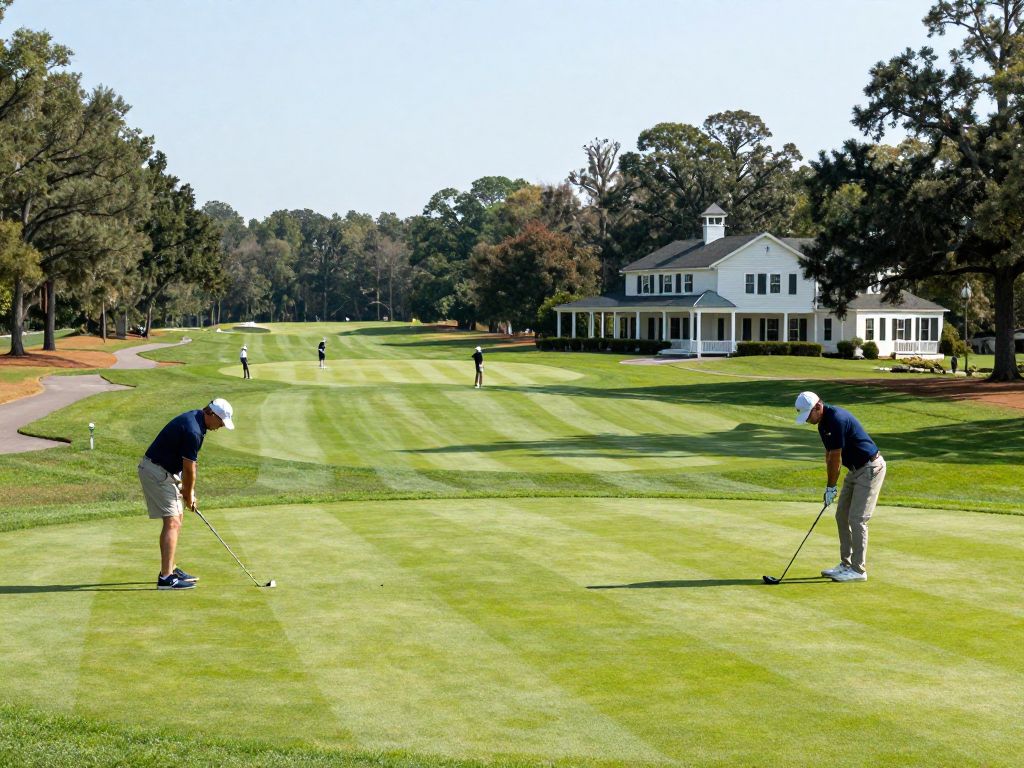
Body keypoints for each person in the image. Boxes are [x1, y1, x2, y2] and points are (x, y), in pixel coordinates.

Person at [138, 399, 235, 590]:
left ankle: (170, 568)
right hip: (156, 472)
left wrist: (189, 491)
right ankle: (166, 578)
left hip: (164, 470)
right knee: (173, 521)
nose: (222, 426)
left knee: (177, 518)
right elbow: (190, 469)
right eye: (221, 422)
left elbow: (185, 465)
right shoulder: (194, 431)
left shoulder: (196, 419)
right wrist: (188, 494)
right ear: (212, 414)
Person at [794, 391, 886, 582]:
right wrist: (830, 486)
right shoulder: (822, 424)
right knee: (841, 515)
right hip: (854, 470)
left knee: (857, 519)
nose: (807, 420)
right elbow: (829, 456)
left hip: (870, 468)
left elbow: (836, 457)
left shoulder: (837, 419)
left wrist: (831, 486)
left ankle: (858, 570)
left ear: (818, 407)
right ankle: (846, 564)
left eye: (808, 415)